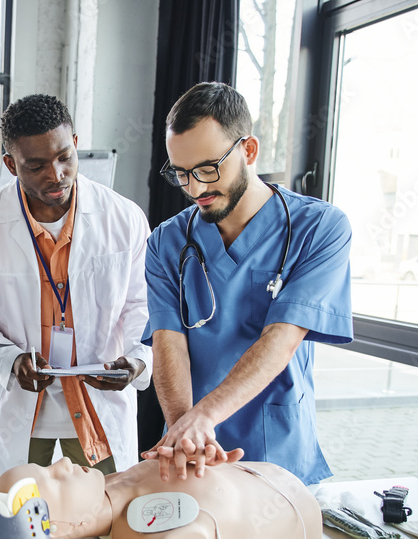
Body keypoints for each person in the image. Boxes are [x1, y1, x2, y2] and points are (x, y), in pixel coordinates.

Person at [0, 94, 152, 489]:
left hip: (95, 403)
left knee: (105, 519)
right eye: (35, 166)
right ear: (10, 165)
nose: (56, 175)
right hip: (22, 406)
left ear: (74, 140)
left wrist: (138, 361)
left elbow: (143, 303)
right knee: (17, 521)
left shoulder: (124, 217)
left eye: (65, 156)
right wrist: (9, 360)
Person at [142, 82, 353, 485]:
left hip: (277, 445)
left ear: (249, 151)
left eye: (207, 169)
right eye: (182, 174)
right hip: (195, 447)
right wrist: (185, 431)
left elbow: (281, 338)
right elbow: (168, 342)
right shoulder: (167, 242)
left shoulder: (320, 228)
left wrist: (203, 417)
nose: (196, 189)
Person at [0, 456, 322, 539]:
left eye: (49, 467)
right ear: (60, 527)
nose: (63, 463)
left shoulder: (115, 484)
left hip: (278, 483)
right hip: (295, 510)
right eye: (54, 479)